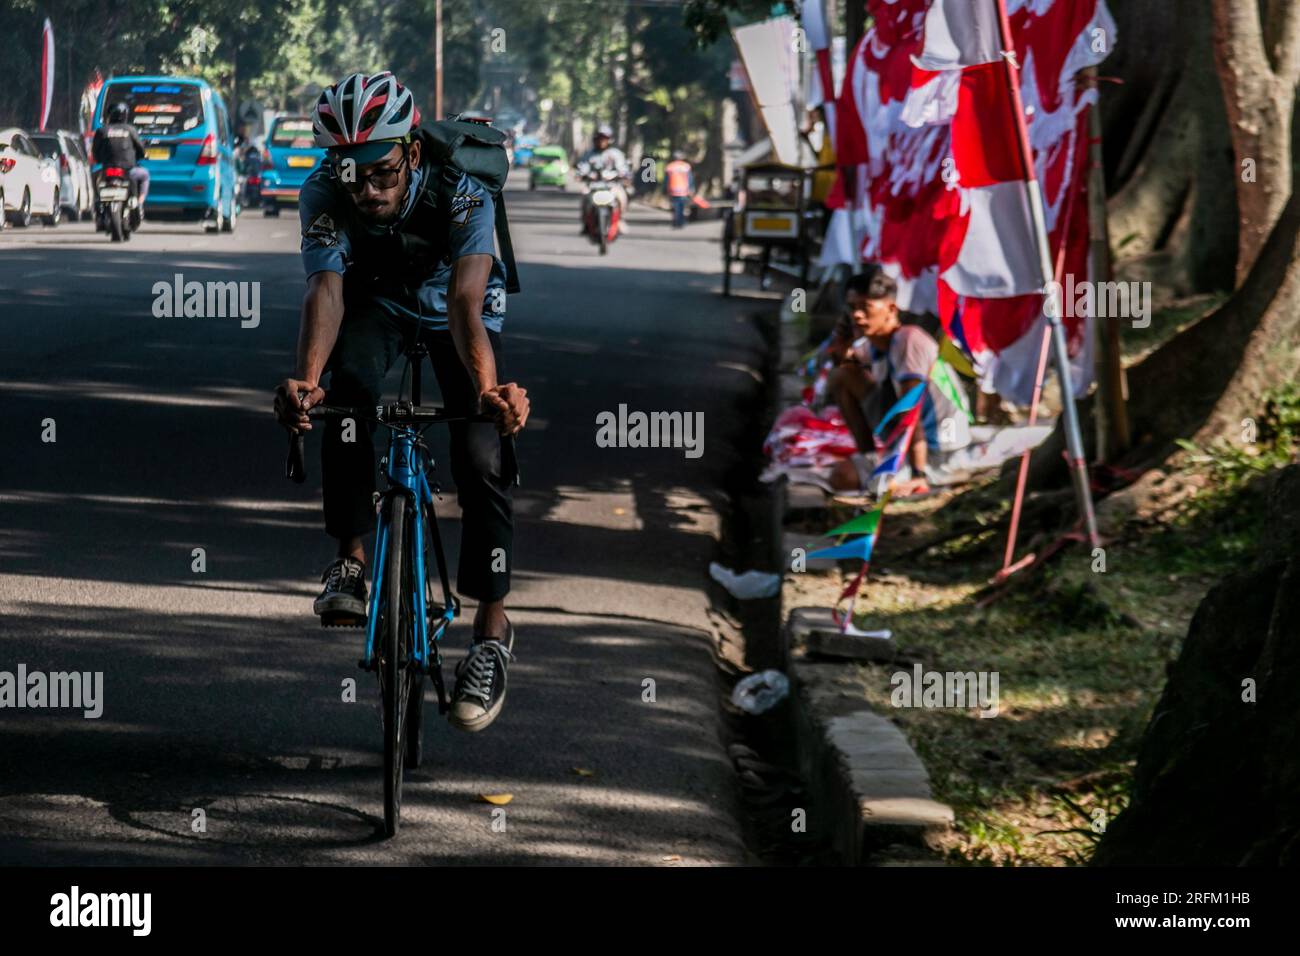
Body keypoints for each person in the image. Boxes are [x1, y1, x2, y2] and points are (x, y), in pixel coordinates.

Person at [273, 71, 530, 733]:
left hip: (456, 306)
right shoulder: (325, 195)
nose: (368, 188)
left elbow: (469, 305)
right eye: (352, 172)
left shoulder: (462, 194)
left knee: (479, 451)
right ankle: (351, 559)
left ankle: (493, 629)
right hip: (379, 301)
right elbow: (325, 292)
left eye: (382, 171)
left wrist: (488, 394)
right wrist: (305, 378)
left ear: (411, 153)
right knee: (348, 393)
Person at [826, 268, 970, 496]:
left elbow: (911, 414)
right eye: (852, 308)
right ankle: (870, 457)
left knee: (841, 477)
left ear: (891, 309)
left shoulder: (908, 341)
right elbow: (842, 368)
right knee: (843, 376)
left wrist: (917, 475)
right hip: (910, 438)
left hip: (937, 449)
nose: (857, 316)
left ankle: (910, 470)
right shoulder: (876, 343)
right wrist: (842, 344)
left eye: (865, 308)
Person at [91, 101, 150, 213]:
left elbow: (95, 151)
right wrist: (143, 155)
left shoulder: (102, 131)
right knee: (145, 175)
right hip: (128, 170)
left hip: (106, 170)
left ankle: (97, 199)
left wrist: (99, 159)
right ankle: (140, 202)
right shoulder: (130, 130)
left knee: (94, 176)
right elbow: (140, 149)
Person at [576, 124, 630, 233]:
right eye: (599, 139)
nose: (602, 141)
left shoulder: (616, 154)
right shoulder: (589, 154)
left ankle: (620, 219)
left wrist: (621, 174)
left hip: (612, 186)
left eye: (604, 139)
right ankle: (586, 223)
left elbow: (623, 168)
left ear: (609, 140)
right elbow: (583, 167)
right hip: (594, 186)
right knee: (584, 195)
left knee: (622, 196)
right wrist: (583, 174)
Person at [664, 151, 694, 229]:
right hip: (683, 190)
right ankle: (680, 222)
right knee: (682, 206)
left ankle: (676, 221)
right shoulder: (686, 166)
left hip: (673, 189)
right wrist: (691, 188)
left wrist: (666, 189)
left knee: (675, 206)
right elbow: (690, 179)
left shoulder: (670, 166)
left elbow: (666, 180)